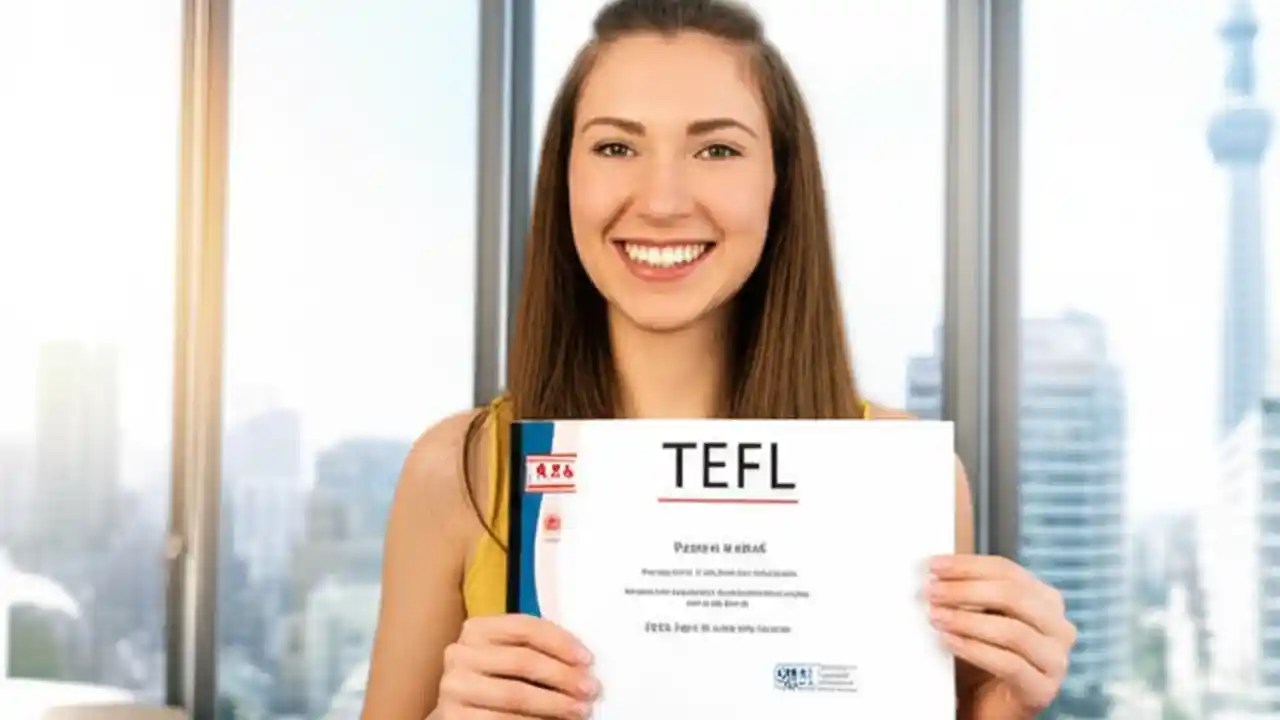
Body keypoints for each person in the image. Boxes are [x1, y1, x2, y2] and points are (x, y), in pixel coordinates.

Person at [361, 1, 1077, 718]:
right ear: (564, 180)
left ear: (780, 183)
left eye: (717, 150)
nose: (663, 200)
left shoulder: (901, 479)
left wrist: (999, 705)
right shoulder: (460, 468)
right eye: (615, 147)